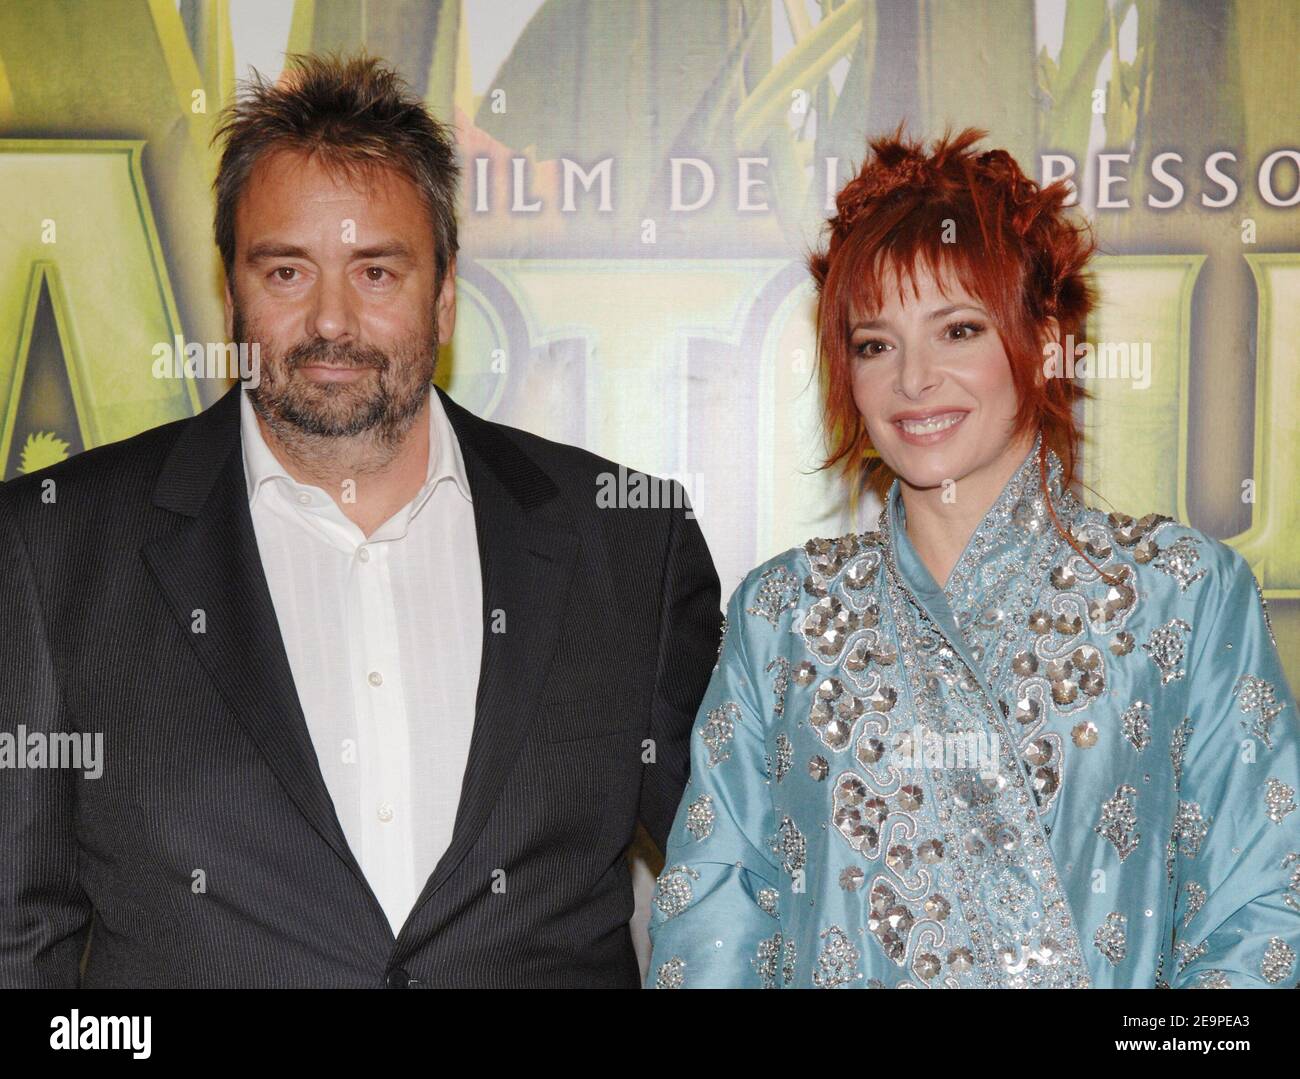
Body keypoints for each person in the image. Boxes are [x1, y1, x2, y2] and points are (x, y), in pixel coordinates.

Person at [0, 52, 721, 988]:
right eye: (288, 271)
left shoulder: (628, 541)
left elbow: (739, 887)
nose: (331, 321)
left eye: (376, 272)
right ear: (232, 295)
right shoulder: (51, 550)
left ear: (446, 293)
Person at [645, 125, 1299, 989]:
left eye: (957, 331)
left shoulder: (1180, 592)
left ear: (1043, 338)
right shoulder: (785, 613)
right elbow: (712, 919)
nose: (913, 380)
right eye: (876, 343)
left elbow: (1257, 917)